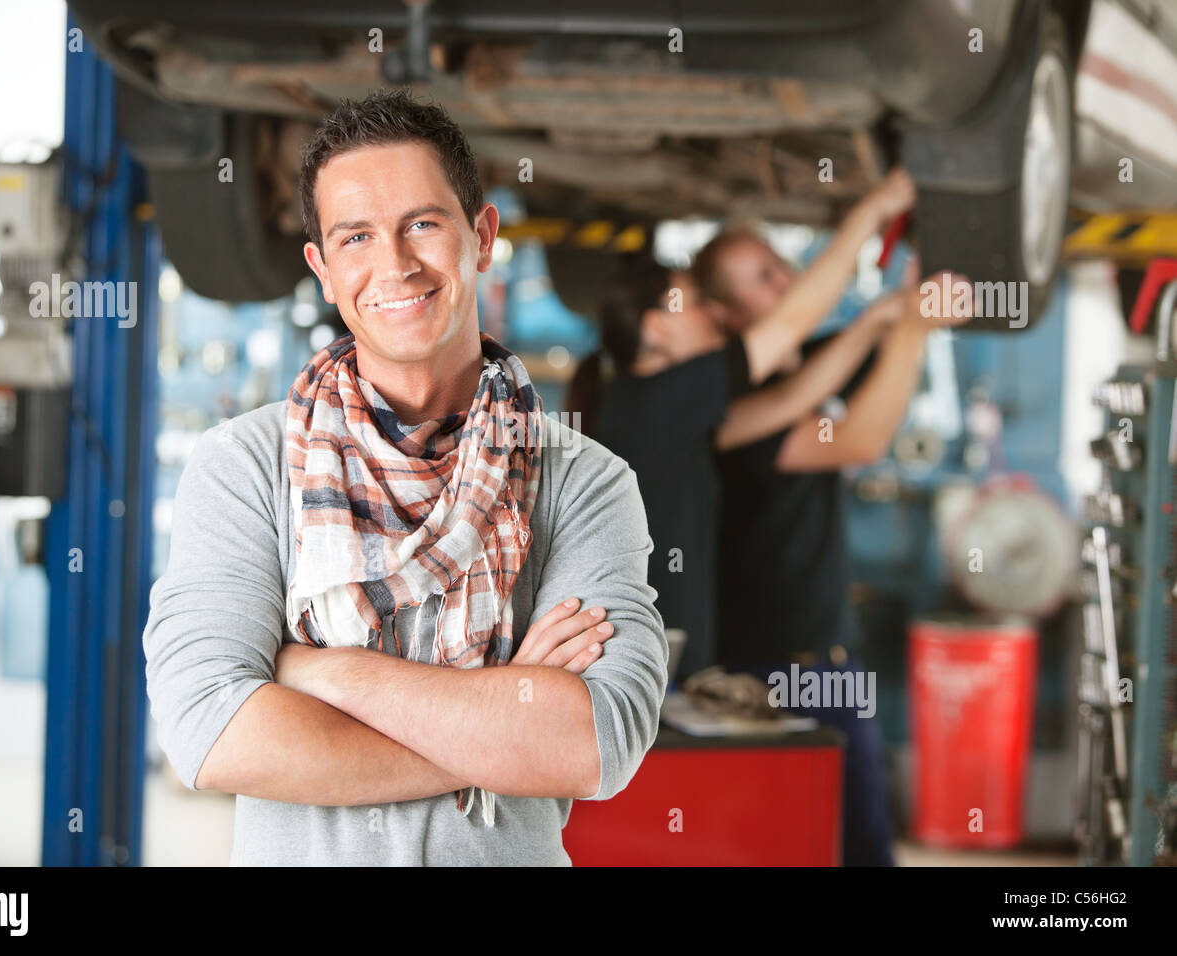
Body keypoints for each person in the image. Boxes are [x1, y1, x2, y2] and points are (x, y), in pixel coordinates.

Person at [141, 88, 668, 866]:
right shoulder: (246, 468)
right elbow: (210, 730)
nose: (394, 264)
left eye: (423, 223)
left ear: (481, 236)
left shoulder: (583, 482)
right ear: (321, 268)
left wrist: (324, 673)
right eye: (356, 236)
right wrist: (499, 726)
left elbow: (596, 740)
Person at [693, 204, 971, 866]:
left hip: (826, 658)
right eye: (763, 277)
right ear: (728, 316)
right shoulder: (732, 411)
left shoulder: (807, 364)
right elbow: (862, 438)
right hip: (769, 671)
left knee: (860, 837)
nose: (788, 281)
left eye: (780, 263)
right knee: (817, 843)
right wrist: (911, 330)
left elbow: (866, 340)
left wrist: (911, 304)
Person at [567, 169, 923, 684]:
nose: (712, 316)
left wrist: (878, 320)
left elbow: (791, 398)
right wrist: (871, 212)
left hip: (668, 664)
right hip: (658, 673)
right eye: (692, 304)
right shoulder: (660, 399)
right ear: (656, 326)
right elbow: (790, 324)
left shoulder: (657, 411)